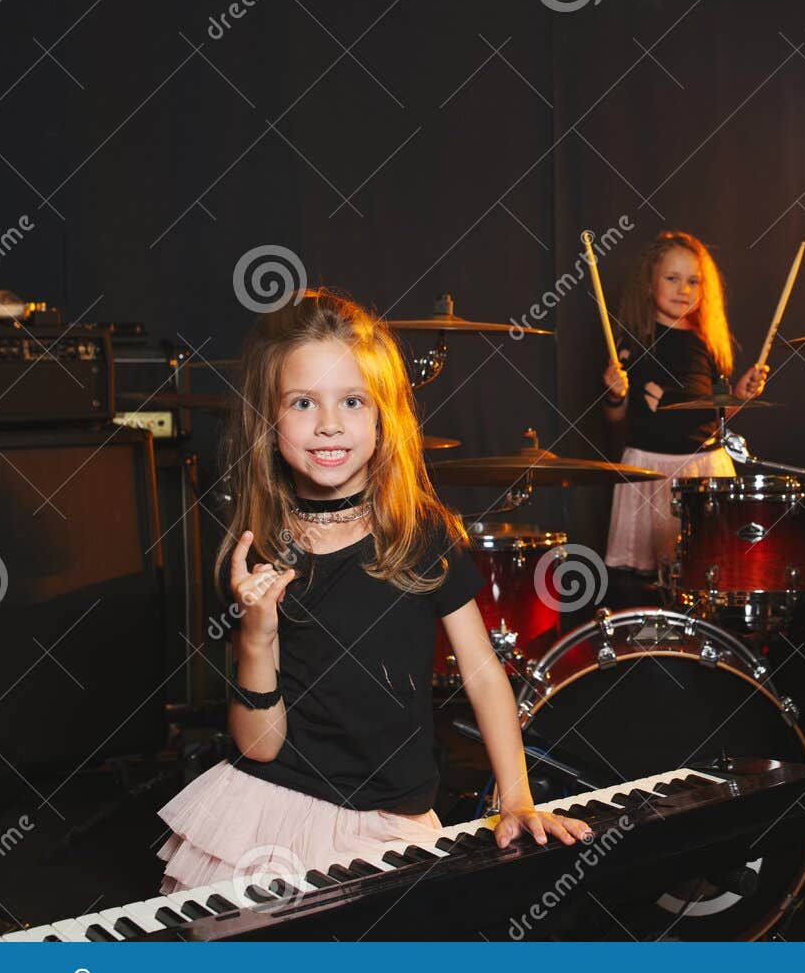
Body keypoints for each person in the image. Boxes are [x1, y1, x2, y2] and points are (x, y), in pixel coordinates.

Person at [156, 289, 590, 893]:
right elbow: (259, 746)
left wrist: (515, 796)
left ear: (385, 417)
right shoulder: (257, 554)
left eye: (352, 401)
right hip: (268, 809)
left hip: (390, 820)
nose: (329, 423)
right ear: (269, 420)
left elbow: (484, 673)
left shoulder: (421, 533)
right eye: (303, 402)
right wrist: (257, 630)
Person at [601, 231, 767, 592]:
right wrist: (614, 395)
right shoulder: (632, 340)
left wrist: (741, 394)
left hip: (704, 466)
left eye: (693, 281)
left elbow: (716, 417)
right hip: (648, 467)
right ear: (649, 283)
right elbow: (614, 419)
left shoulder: (707, 342)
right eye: (672, 279)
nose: (684, 290)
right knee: (649, 585)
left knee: (705, 574)